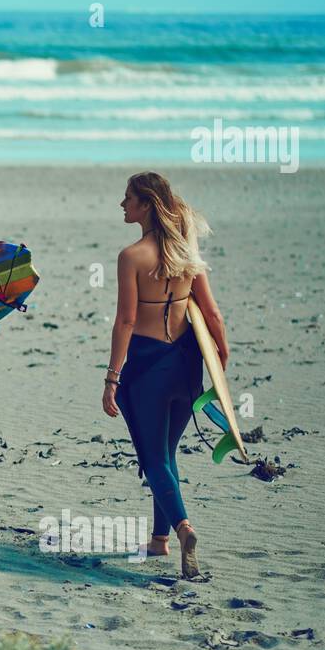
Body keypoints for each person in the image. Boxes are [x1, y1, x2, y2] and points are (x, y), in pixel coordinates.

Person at [102, 172, 228, 578]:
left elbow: (125, 320)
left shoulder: (131, 256)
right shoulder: (185, 252)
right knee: (167, 454)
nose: (123, 205)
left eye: (128, 199)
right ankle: (160, 541)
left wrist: (111, 378)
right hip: (186, 363)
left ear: (146, 206)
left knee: (153, 458)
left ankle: (184, 527)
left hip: (146, 366)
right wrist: (220, 358)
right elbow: (211, 313)